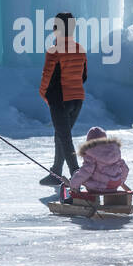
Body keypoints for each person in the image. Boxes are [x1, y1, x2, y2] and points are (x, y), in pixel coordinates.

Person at [37, 12, 88, 186]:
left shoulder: (54, 50)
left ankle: (76, 174)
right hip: (77, 99)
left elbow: (47, 76)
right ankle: (56, 172)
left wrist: (44, 94)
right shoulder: (80, 49)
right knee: (61, 135)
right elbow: (84, 76)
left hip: (60, 100)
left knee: (65, 138)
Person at [66, 127, 130, 196]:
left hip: (97, 188)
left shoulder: (91, 152)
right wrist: (120, 181)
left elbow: (86, 171)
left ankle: (78, 195)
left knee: (77, 173)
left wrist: (73, 185)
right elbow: (125, 168)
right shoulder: (114, 151)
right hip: (114, 186)